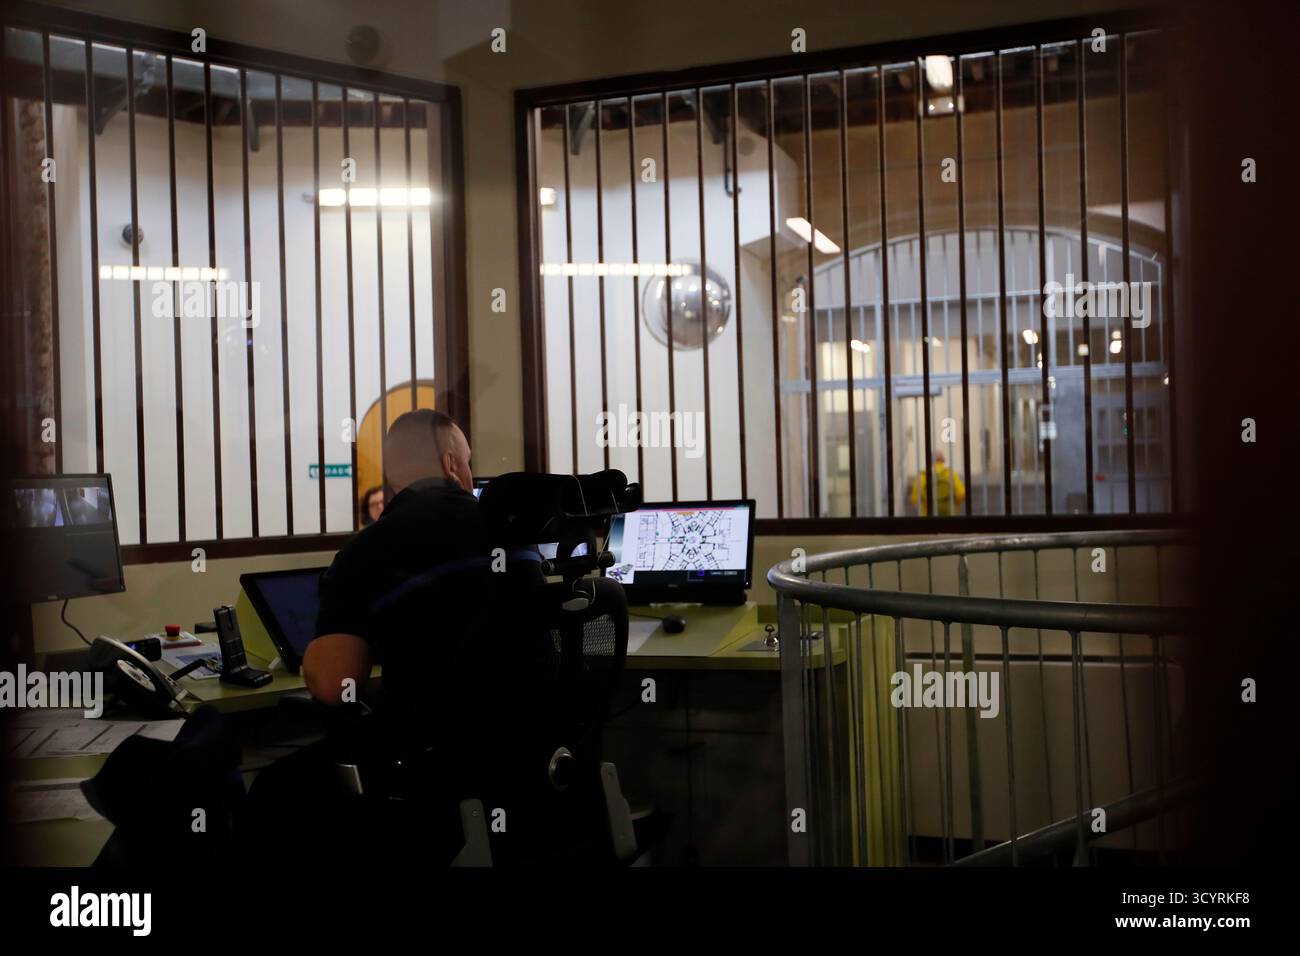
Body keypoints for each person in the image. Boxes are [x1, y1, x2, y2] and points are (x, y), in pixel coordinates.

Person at [910, 450, 966, 516]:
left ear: (929, 461)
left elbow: (915, 499)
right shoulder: (951, 474)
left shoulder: (922, 476)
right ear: (943, 460)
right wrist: (954, 504)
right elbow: (961, 494)